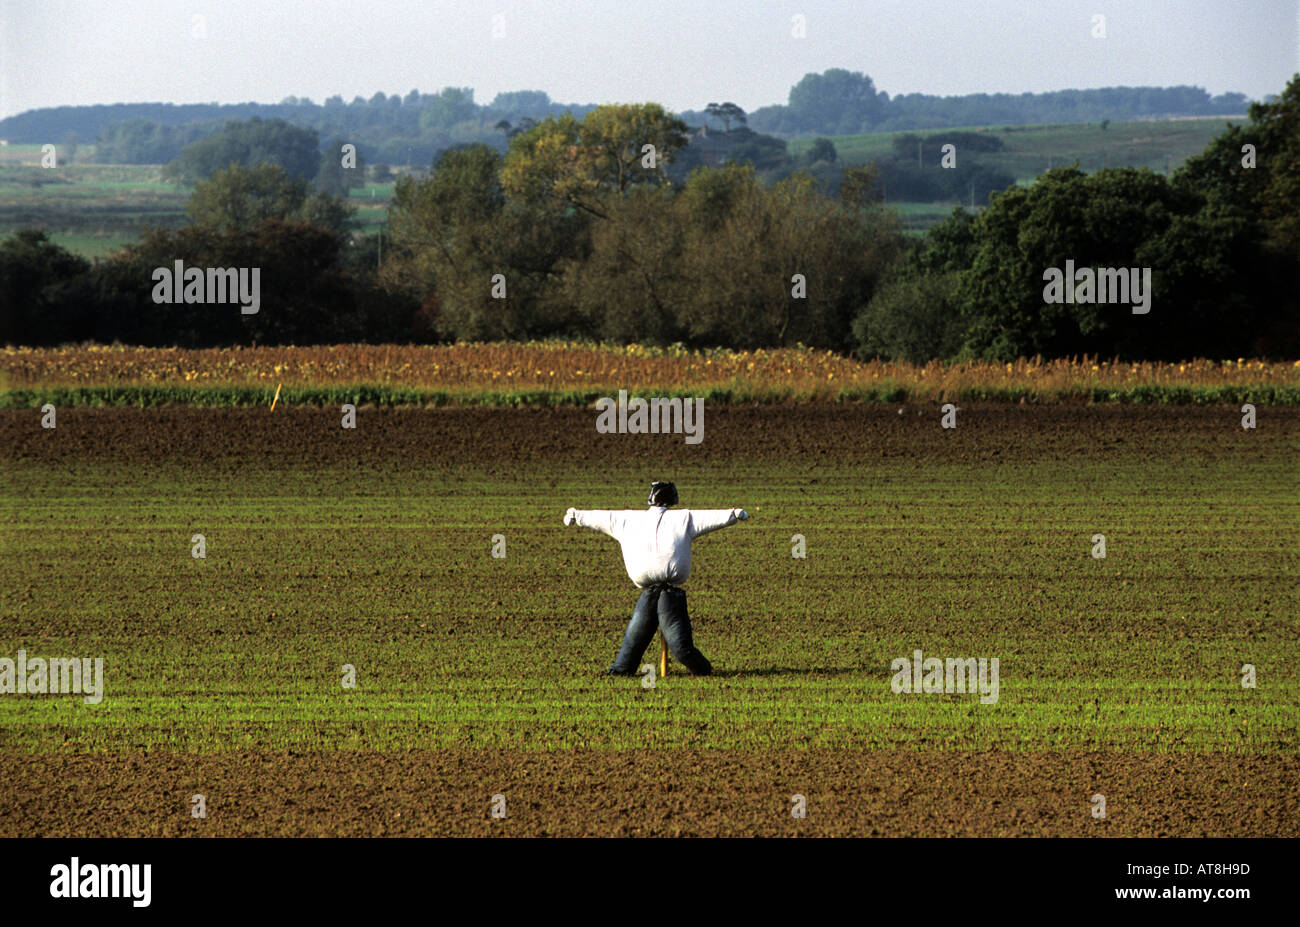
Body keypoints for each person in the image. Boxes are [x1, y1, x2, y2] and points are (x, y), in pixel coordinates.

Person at [563, 481, 749, 676]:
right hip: (655, 592)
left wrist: (577, 515)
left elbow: (601, 517)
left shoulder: (629, 520)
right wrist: (733, 513)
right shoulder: (682, 518)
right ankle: (622, 670)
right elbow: (708, 517)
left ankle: (703, 670)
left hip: (665, 593)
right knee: (643, 639)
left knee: (661, 642)